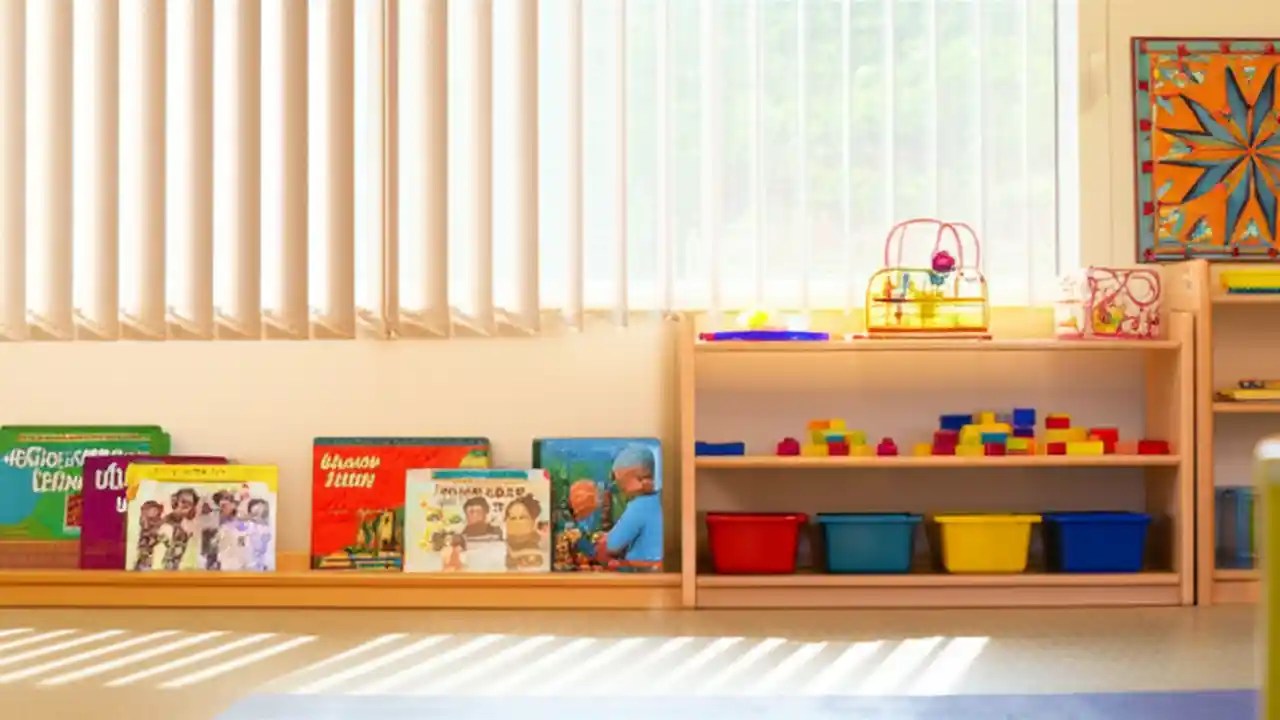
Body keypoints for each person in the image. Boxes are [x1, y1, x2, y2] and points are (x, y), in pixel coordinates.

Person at [595, 445, 663, 571]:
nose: (622, 492)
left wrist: (605, 539)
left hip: (641, 573)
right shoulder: (660, 500)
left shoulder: (639, 506)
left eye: (621, 486)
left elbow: (612, 546)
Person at [503, 495, 546, 570]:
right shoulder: (498, 547)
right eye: (513, 518)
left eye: (522, 517)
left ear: (533, 522)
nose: (517, 522)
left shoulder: (542, 549)